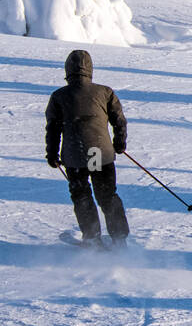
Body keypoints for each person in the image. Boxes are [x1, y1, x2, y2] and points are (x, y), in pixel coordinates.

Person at [45, 49, 131, 246]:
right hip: (101, 153)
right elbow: (119, 121)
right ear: (90, 69)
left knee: (81, 194)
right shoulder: (105, 92)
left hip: (75, 155)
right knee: (107, 195)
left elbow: (53, 127)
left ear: (67, 70)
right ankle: (119, 238)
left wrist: (52, 153)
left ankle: (92, 238)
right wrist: (119, 143)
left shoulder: (59, 96)